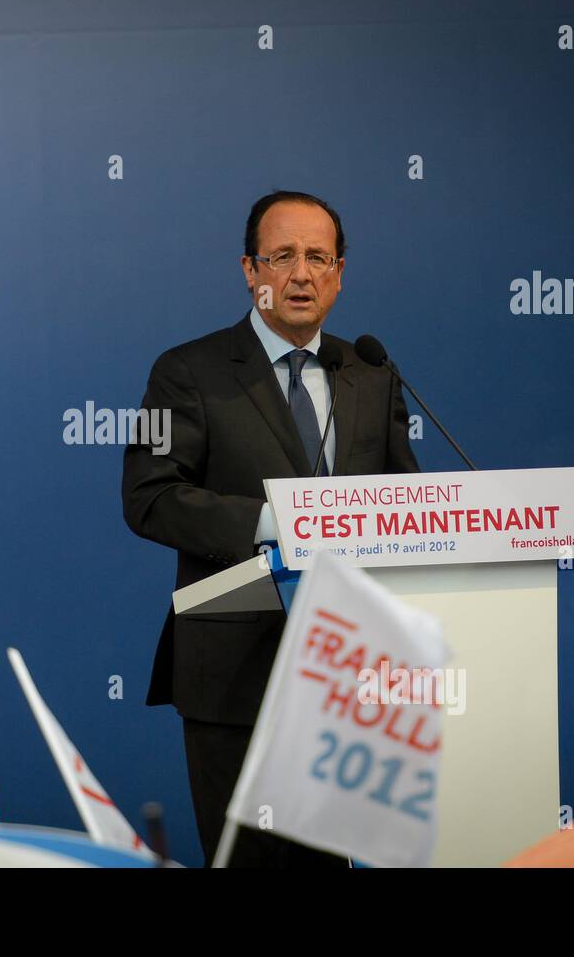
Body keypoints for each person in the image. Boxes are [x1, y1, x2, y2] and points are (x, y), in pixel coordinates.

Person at [121, 190, 419, 867]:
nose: (301, 274)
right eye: (282, 256)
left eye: (318, 257)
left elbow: (406, 499)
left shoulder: (370, 374)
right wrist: (276, 524)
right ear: (249, 270)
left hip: (348, 674)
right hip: (233, 670)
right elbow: (148, 495)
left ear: (341, 273)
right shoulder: (183, 371)